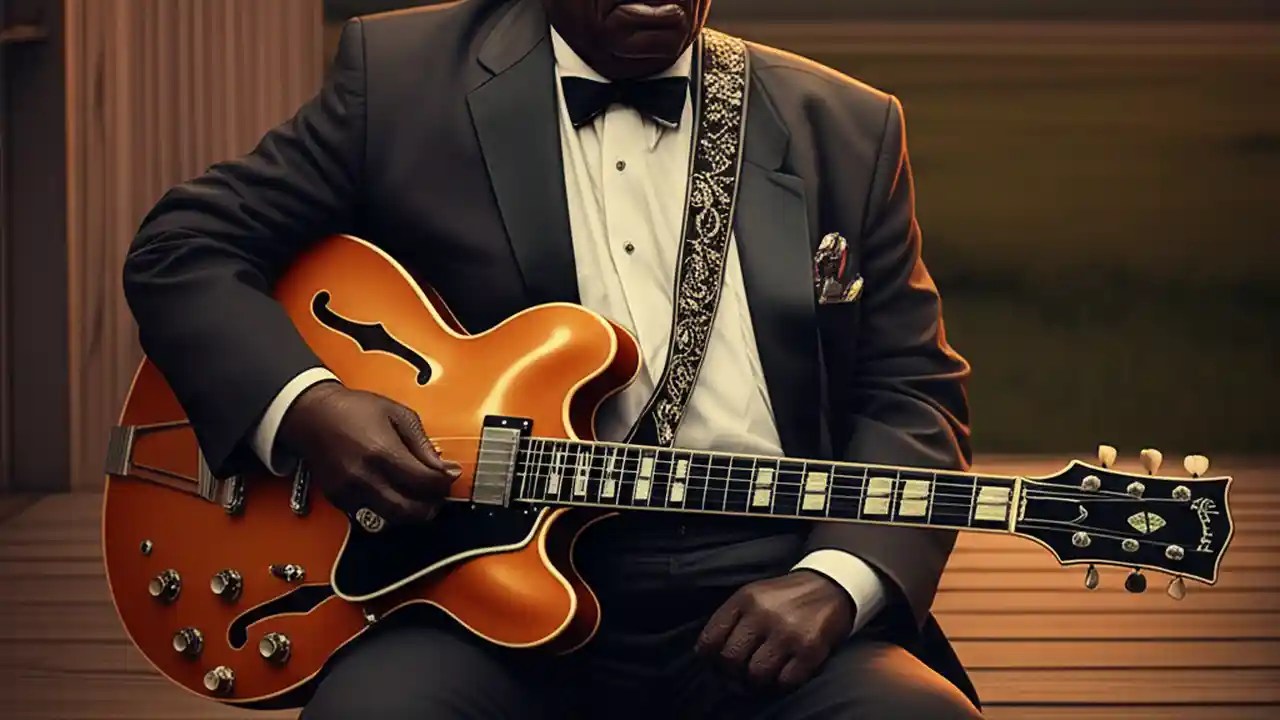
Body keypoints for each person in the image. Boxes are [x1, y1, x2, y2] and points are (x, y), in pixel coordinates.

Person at [123, 0, 982, 717]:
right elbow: (185, 247)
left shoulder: (848, 126)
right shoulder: (401, 77)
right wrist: (308, 407)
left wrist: (839, 581)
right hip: (465, 583)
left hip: (769, 579)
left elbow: (912, 390)